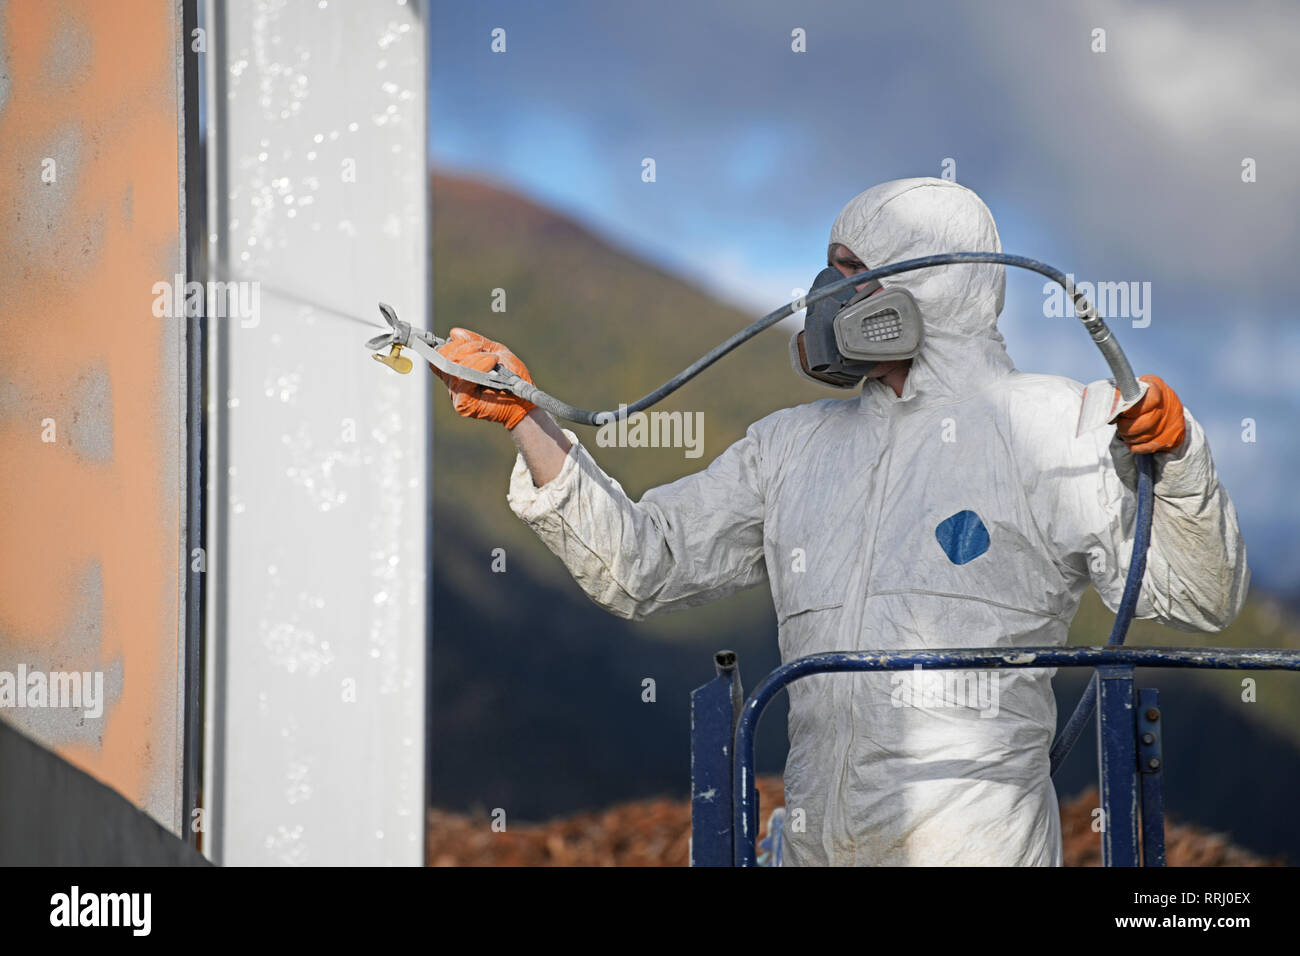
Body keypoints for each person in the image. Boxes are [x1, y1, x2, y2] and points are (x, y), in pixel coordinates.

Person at [432, 177, 1249, 866]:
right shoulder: (793, 448)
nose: (824, 298)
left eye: (852, 273)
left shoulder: (1057, 428)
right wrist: (526, 421)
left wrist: (1180, 464)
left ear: (923, 289)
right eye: (828, 269)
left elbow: (1198, 598)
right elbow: (644, 564)